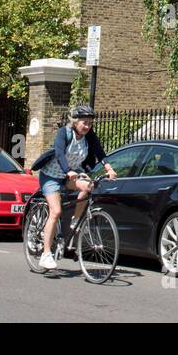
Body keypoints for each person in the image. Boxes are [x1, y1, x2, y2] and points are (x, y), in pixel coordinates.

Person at [37, 104, 115, 270]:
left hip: (69, 175)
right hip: (51, 175)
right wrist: (68, 170)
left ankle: (75, 221)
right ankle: (45, 254)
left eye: (89, 123)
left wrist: (109, 168)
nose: (87, 126)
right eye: (84, 122)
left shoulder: (89, 136)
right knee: (56, 211)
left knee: (89, 186)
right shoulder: (63, 133)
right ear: (75, 122)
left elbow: (100, 152)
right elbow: (58, 153)